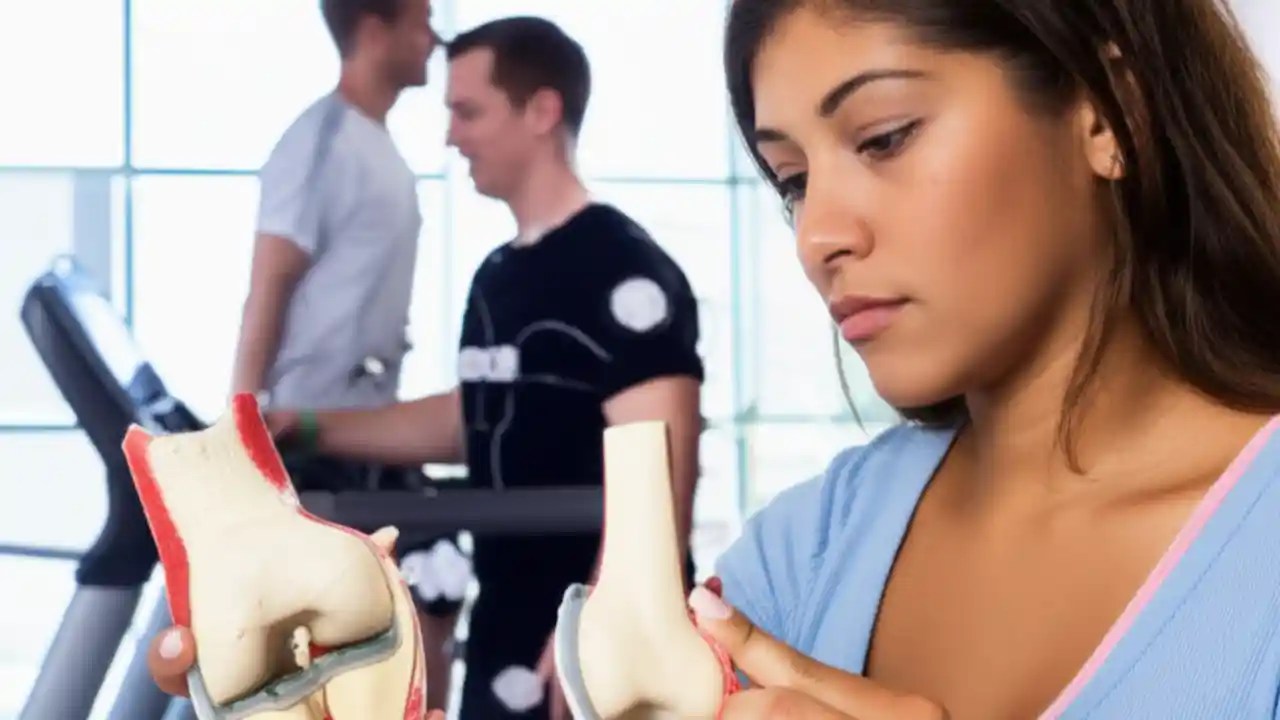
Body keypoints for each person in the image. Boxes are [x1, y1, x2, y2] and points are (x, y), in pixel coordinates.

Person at [681, 1, 1280, 719]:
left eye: (884, 138)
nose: (818, 236)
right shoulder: (802, 555)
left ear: (1110, 112)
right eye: (792, 181)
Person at [147, 15, 706, 720]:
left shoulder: (624, 270)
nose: (449, 135)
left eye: (467, 111)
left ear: (542, 111)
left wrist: (610, 622)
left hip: (590, 633)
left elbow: (662, 466)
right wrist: (308, 427)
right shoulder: (501, 275)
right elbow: (474, 419)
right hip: (506, 621)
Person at [227, 0, 459, 707]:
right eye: (421, 21)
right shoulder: (322, 141)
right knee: (394, 619)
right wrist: (241, 440)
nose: (434, 37)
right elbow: (269, 283)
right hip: (312, 444)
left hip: (367, 433)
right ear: (374, 28)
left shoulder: (376, 146)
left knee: (440, 588)